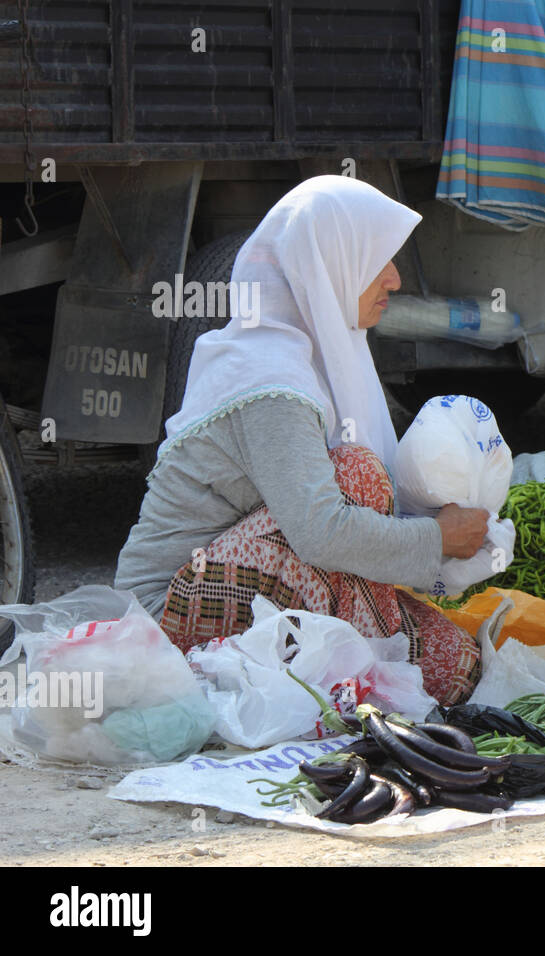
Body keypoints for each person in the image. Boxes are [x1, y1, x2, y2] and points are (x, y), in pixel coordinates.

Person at [115, 175, 485, 704]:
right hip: (161, 614)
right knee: (355, 475)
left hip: (251, 574)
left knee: (457, 666)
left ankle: (341, 669)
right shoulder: (269, 377)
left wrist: (444, 540)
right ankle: (317, 680)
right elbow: (321, 533)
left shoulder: (310, 357)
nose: (396, 280)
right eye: (380, 260)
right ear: (331, 264)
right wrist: (437, 539)